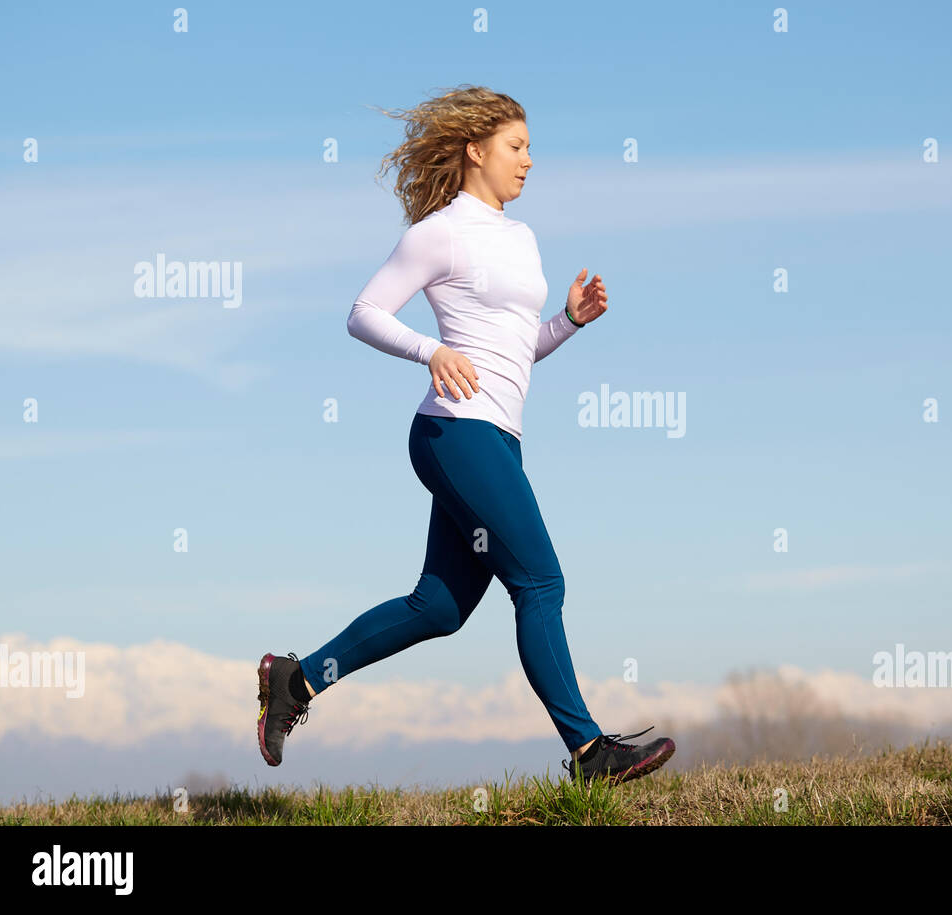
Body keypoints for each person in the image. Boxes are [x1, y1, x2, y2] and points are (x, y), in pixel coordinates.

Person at [256, 85, 675, 786]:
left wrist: (566, 322)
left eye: (531, 149)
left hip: (497, 434)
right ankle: (588, 751)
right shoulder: (439, 232)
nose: (530, 162)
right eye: (517, 147)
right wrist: (430, 351)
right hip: (455, 432)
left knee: (440, 607)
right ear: (476, 150)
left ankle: (295, 681)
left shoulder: (521, 238)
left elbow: (510, 355)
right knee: (541, 580)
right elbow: (363, 313)